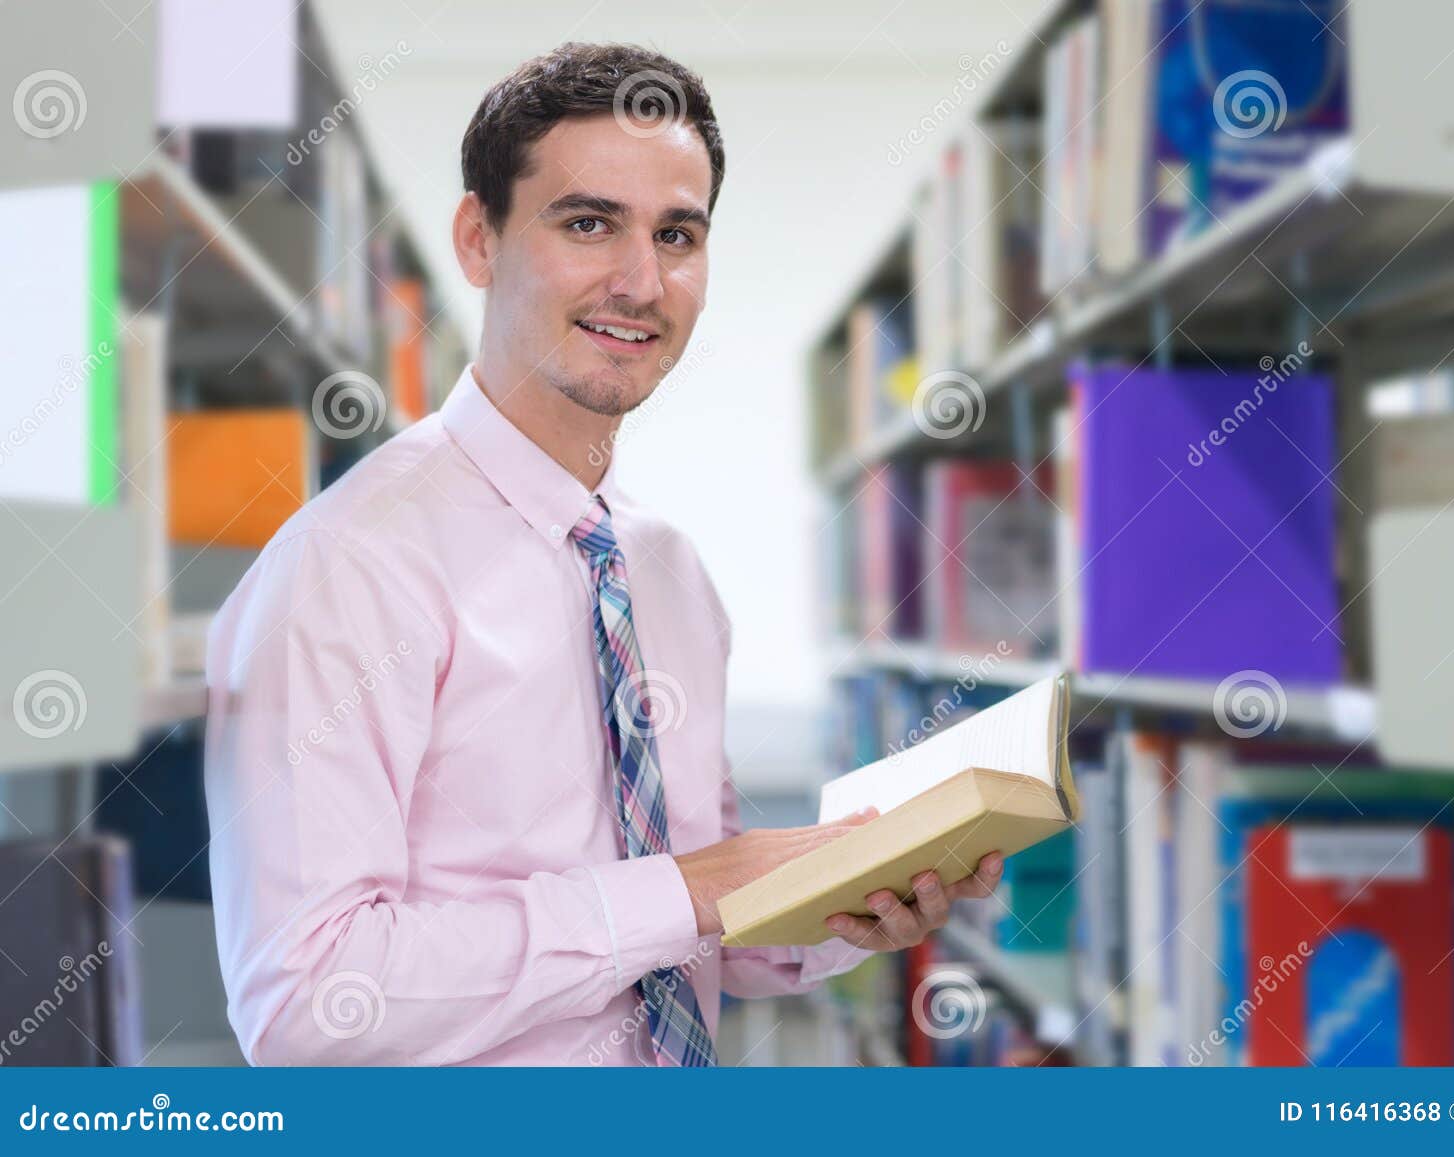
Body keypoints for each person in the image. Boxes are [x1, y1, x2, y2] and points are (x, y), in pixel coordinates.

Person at [204, 41, 1004, 1067]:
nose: (640, 281)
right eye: (588, 223)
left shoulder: (666, 571)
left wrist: (850, 899)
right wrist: (683, 889)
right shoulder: (347, 563)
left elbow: (704, 931)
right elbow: (309, 1003)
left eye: (676, 235)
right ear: (478, 239)